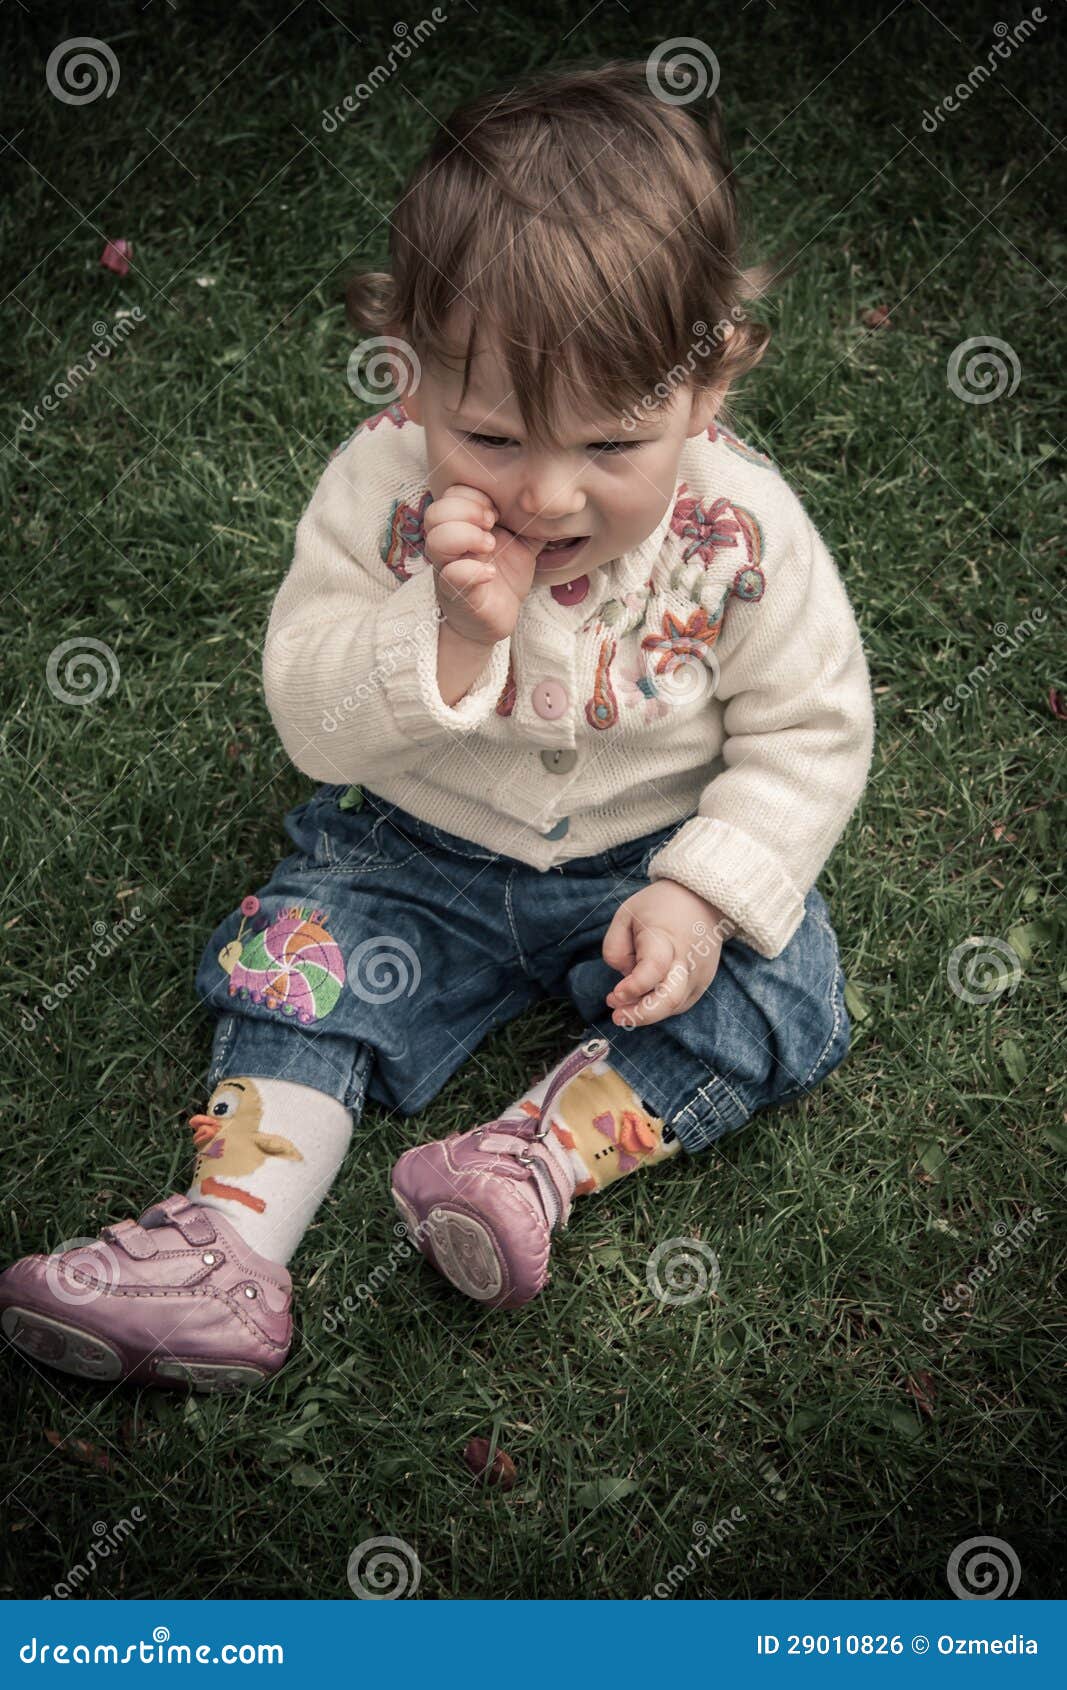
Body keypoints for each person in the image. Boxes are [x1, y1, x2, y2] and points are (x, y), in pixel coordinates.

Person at [0, 59, 873, 1392]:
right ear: (407, 374)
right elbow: (308, 712)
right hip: (418, 848)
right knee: (306, 947)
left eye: (610, 446)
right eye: (489, 433)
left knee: (785, 969)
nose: (546, 492)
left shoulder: (746, 529)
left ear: (707, 389)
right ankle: (227, 1247)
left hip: (650, 865)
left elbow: (811, 731)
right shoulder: (377, 490)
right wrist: (446, 630)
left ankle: (534, 1154)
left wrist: (703, 894)